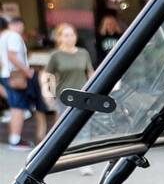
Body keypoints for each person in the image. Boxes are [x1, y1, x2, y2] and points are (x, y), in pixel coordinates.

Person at [0, 16, 49, 151]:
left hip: (6, 74)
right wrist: (27, 71)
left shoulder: (2, 37)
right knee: (18, 108)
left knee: (15, 106)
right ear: (17, 25)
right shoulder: (14, 36)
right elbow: (12, 56)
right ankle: (15, 140)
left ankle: (14, 138)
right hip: (16, 75)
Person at [44, 23, 94, 117]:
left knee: (83, 124)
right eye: (66, 35)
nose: (70, 38)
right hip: (63, 96)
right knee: (64, 123)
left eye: (72, 35)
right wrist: (48, 92)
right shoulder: (55, 55)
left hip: (82, 95)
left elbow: (90, 73)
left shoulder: (83, 53)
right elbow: (48, 75)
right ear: (60, 38)